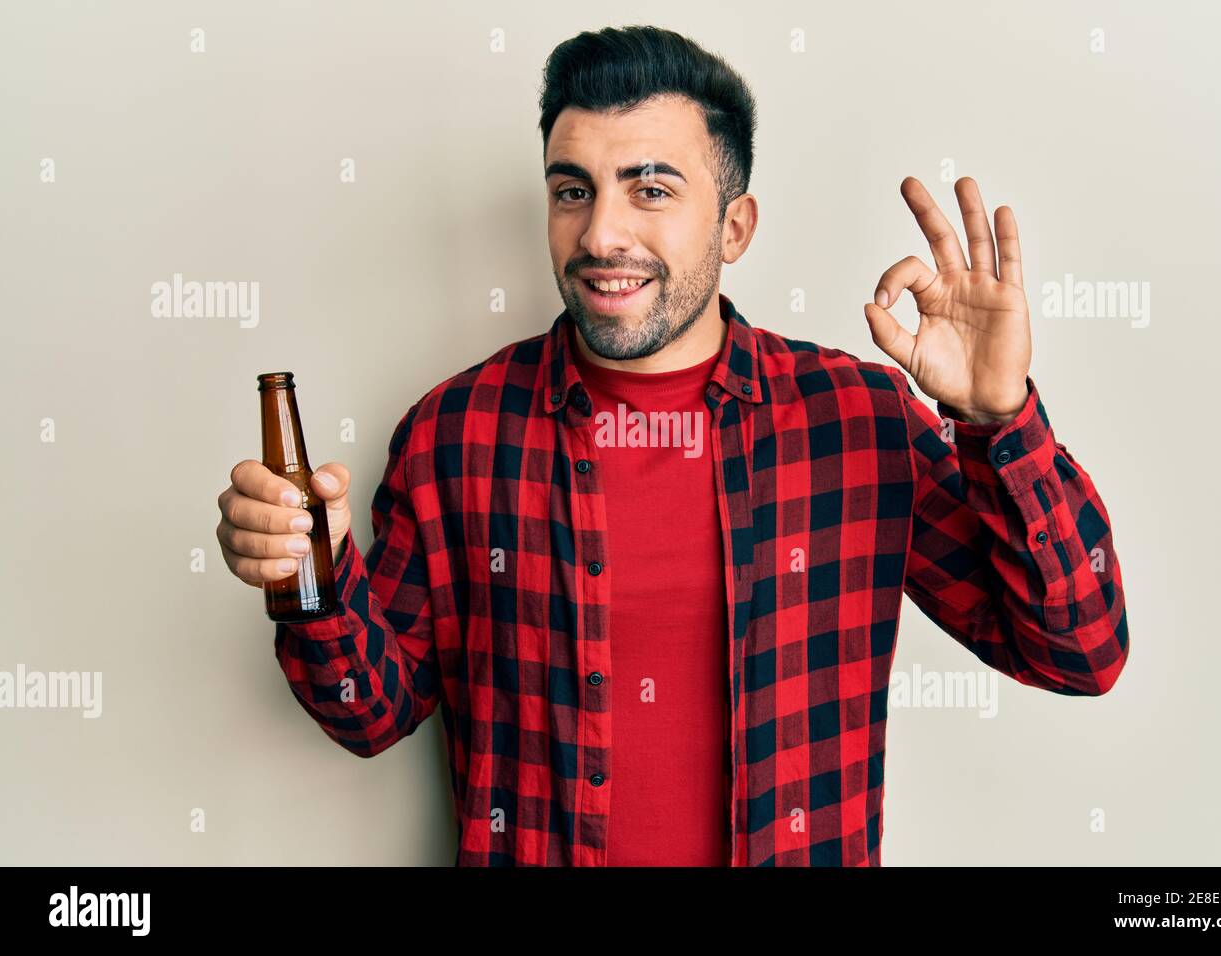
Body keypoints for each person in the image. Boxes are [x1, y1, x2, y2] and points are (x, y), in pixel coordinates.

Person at [215, 25, 1129, 867]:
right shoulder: (458, 434)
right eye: (573, 190)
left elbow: (1077, 651)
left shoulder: (859, 422)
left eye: (651, 189)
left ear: (735, 226)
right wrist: (314, 575)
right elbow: (370, 715)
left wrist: (997, 421)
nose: (602, 233)